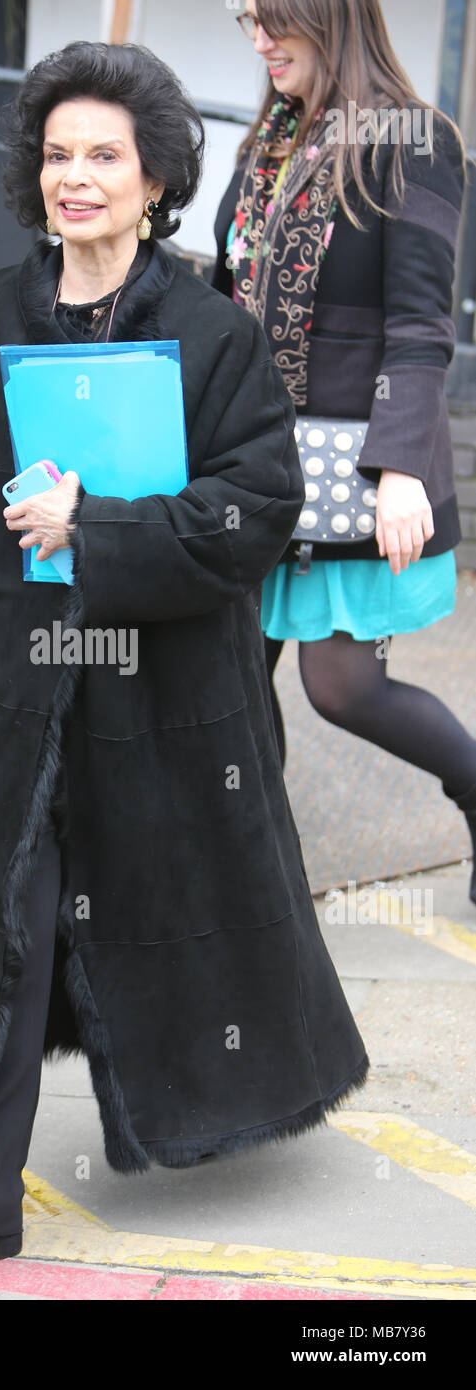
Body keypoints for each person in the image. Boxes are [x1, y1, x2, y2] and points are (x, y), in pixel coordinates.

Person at [0, 39, 369, 1297]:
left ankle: (202, 1101)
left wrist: (97, 528)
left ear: (153, 184)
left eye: (103, 158)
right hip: (10, 681)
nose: (74, 179)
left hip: (163, 702)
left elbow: (253, 510)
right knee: (5, 933)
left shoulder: (212, 333)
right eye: (56, 156)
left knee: (169, 920)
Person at [212, 0, 476, 905]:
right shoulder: (269, 144)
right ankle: (260, 879)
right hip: (247, 463)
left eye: (271, 19)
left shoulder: (414, 140)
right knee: (231, 680)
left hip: (348, 475)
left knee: (340, 686)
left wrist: (399, 469)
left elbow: (418, 324)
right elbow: (224, 290)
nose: (256, 40)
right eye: (242, 18)